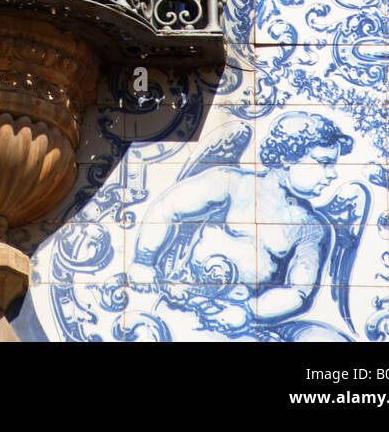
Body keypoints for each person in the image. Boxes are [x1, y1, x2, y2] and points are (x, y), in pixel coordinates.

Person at [134, 113, 361, 339]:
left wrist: (248, 311)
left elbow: (298, 292)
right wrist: (143, 261)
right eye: (323, 162)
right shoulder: (231, 183)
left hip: (235, 319)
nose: (332, 174)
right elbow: (167, 207)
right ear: (288, 158)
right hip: (182, 306)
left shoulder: (310, 227)